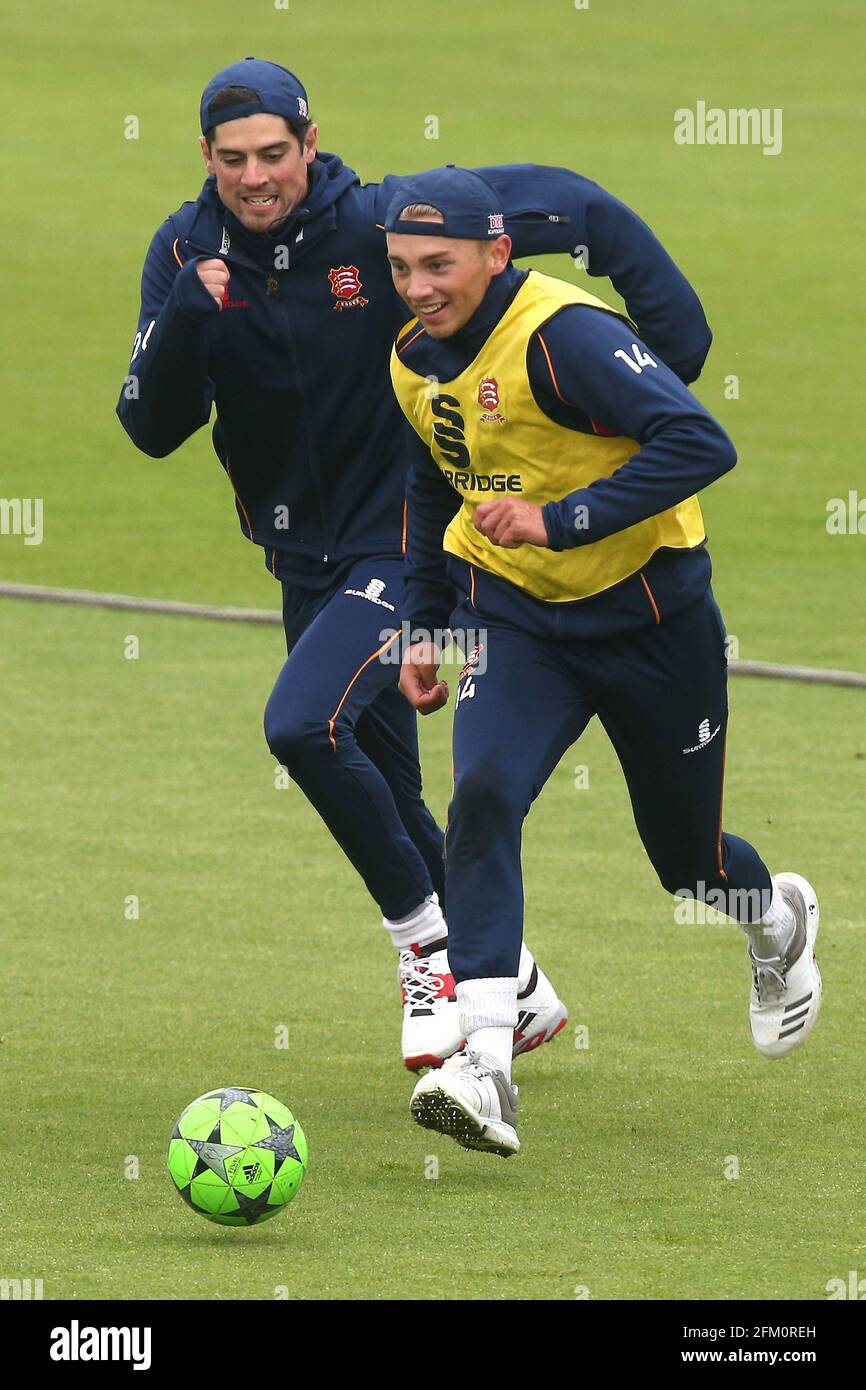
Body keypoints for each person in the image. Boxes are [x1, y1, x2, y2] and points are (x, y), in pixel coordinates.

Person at [116, 57, 715, 1073]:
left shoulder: (386, 228)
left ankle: (430, 953)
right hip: (301, 558)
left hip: (404, 543)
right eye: (232, 160)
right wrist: (188, 308)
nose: (256, 178)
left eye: (273, 153)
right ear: (207, 159)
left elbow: (576, 206)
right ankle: (511, 989)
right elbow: (150, 424)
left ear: (310, 144)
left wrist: (674, 345)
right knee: (387, 791)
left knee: (301, 725)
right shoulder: (185, 251)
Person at [387, 167, 822, 1157]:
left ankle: (776, 918)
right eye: (402, 266)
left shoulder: (563, 335)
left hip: (650, 621)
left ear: (497, 254)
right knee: (484, 794)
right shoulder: (411, 358)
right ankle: (485, 1064)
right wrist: (428, 625)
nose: (418, 286)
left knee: (689, 865)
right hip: (513, 618)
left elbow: (696, 440)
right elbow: (428, 478)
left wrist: (557, 519)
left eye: (438, 264)